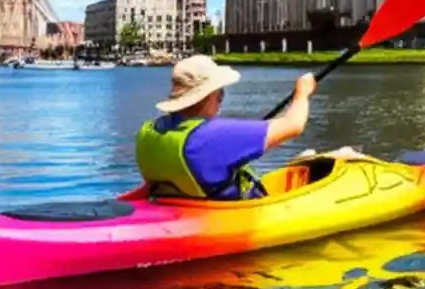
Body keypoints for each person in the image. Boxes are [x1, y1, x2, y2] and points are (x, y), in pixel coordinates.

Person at [135, 54, 316, 200]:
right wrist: (302, 92)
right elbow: (294, 124)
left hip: (182, 208)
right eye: (220, 92)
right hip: (230, 220)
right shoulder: (212, 137)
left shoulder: (149, 132)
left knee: (306, 158)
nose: (222, 97)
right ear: (209, 95)